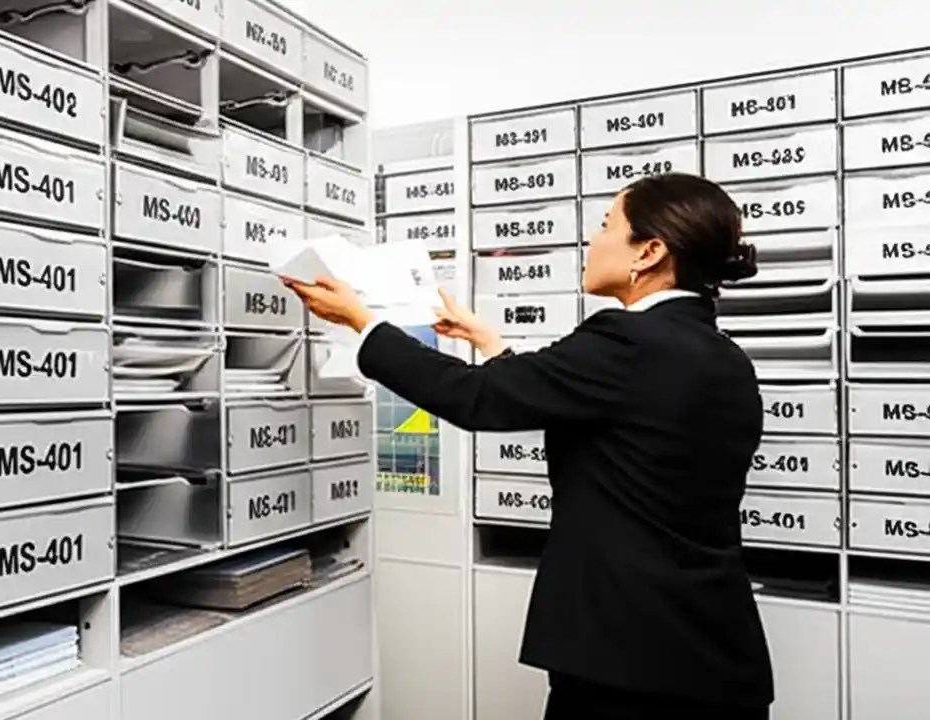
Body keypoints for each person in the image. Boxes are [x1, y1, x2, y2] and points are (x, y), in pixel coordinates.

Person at [285, 172, 774, 720]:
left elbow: (476, 398)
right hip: (715, 656)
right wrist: (490, 341)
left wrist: (363, 323)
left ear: (650, 252)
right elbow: (585, 401)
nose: (594, 240)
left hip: (627, 662)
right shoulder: (722, 356)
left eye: (607, 226)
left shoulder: (628, 342)